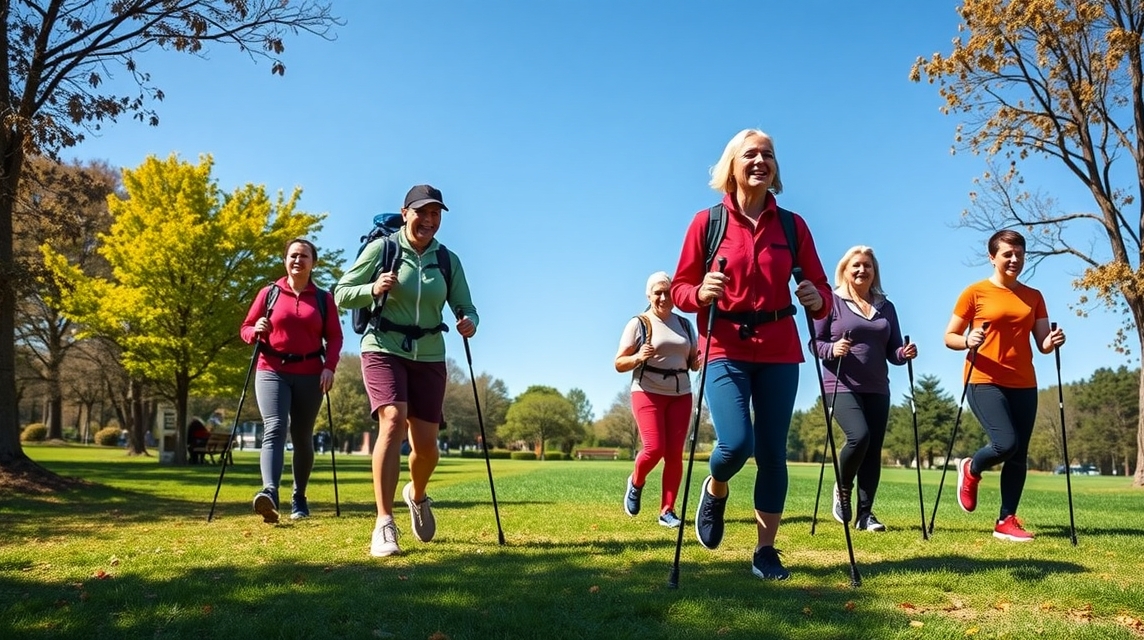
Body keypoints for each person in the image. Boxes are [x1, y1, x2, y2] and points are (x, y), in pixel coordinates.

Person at [670, 129, 832, 580]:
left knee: (772, 450)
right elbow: (681, 287)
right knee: (736, 443)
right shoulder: (707, 223)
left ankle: (765, 551)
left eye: (769, 155)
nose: (761, 161)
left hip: (780, 345)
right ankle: (716, 486)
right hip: (724, 343)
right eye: (751, 155)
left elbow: (820, 285)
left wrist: (817, 299)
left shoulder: (792, 226)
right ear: (732, 165)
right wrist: (700, 290)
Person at [333, 184, 478, 558]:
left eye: (436, 214)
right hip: (383, 346)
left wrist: (468, 320)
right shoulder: (383, 249)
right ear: (405, 212)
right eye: (422, 212)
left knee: (427, 448)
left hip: (429, 354)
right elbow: (341, 292)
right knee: (393, 420)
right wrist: (373, 287)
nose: (429, 220)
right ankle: (383, 523)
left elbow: (466, 305)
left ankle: (416, 494)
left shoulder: (447, 260)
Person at [945, 229, 1065, 541]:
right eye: (1007, 254)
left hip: (1024, 382)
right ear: (993, 257)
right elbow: (950, 337)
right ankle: (972, 469)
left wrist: (1052, 340)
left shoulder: (1034, 296)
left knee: (1018, 454)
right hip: (983, 378)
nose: (1014, 259)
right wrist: (967, 340)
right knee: (1005, 443)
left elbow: (1041, 343)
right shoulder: (975, 293)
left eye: (1019, 254)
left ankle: (1006, 520)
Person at [813, 246, 918, 532]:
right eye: (856, 266)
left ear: (875, 272)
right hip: (841, 384)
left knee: (872, 450)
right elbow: (815, 344)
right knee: (859, 437)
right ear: (845, 270)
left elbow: (892, 351)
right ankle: (842, 488)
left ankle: (865, 515)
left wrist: (904, 353)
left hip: (877, 387)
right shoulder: (830, 302)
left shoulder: (886, 307)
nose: (862, 270)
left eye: (867, 266)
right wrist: (833, 348)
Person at [240, 238, 343, 523]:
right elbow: (246, 327)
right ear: (285, 260)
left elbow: (334, 337)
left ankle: (299, 497)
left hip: (311, 372)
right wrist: (254, 331)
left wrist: (330, 367)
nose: (298, 260)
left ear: (314, 262)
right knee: (275, 426)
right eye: (293, 256)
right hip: (271, 368)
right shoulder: (269, 293)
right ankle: (269, 493)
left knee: (301, 435)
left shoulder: (323, 299)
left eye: (304, 256)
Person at [614, 271, 699, 529]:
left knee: (675, 455)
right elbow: (619, 363)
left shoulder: (685, 325)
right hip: (647, 391)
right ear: (648, 294)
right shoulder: (639, 323)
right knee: (654, 448)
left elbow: (693, 363)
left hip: (681, 393)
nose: (663, 297)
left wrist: (699, 360)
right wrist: (639, 357)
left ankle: (667, 511)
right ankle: (636, 482)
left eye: (667, 291)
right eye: (657, 292)